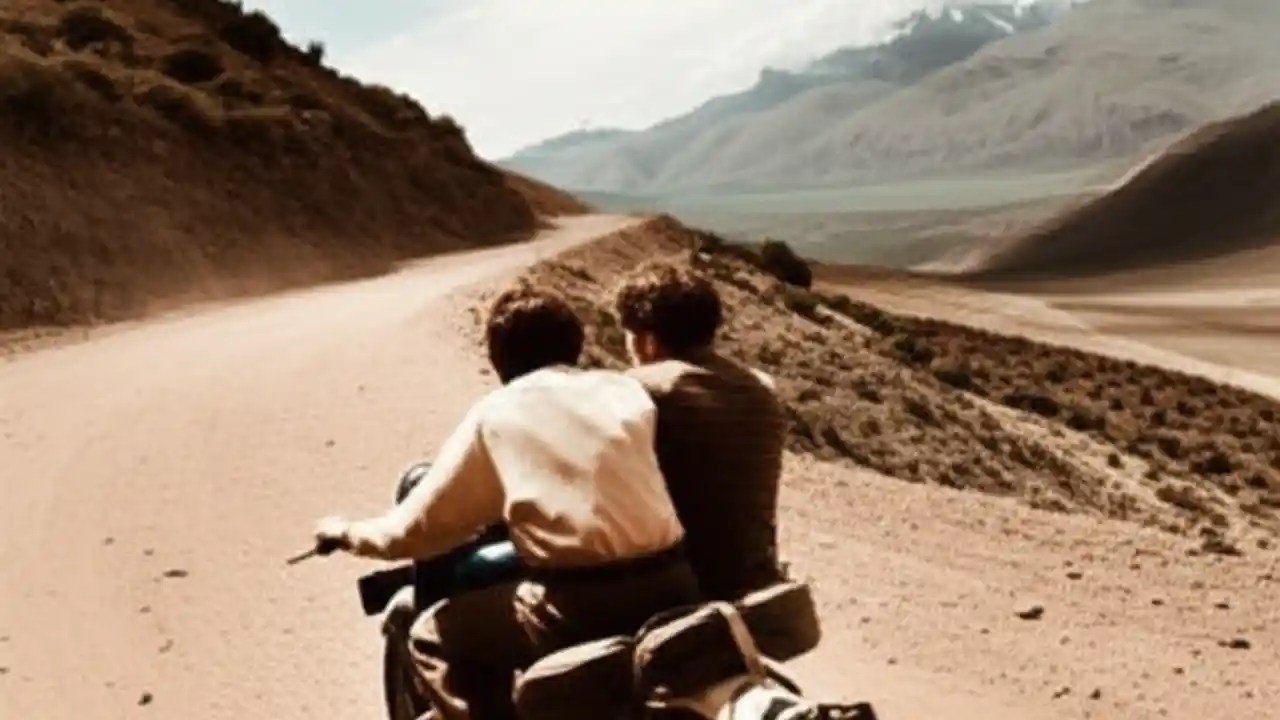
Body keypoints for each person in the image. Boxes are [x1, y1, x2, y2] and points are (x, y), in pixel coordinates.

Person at [313, 284, 700, 720]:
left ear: (498, 359)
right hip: (674, 584)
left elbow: (412, 532)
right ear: (575, 345)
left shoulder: (496, 411)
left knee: (429, 636)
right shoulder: (624, 391)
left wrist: (345, 531)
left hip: (573, 606)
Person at [613, 262, 789, 601]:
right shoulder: (761, 392)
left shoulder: (638, 389)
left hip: (677, 591)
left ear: (647, 340)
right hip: (756, 581)